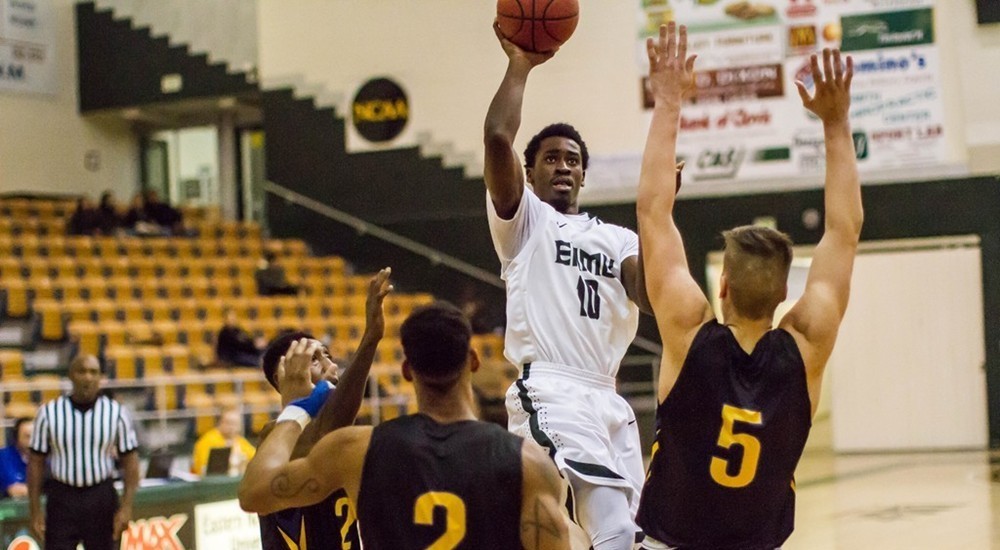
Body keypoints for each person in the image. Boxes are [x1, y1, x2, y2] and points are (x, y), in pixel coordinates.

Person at [635, 24, 862, 549]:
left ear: (722, 288)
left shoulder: (689, 334)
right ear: (785, 295)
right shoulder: (806, 348)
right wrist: (836, 123)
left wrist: (668, 100)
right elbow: (843, 232)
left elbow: (652, 212)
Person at [482, 19, 660, 549]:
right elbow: (496, 138)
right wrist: (520, 65)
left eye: (573, 160)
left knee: (641, 535)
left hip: (610, 398)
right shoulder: (525, 222)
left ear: (584, 176)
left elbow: (651, 297)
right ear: (530, 173)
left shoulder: (620, 239)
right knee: (610, 523)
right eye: (551, 159)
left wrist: (658, 216)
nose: (563, 166)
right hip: (553, 388)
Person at [238, 302, 570, 550]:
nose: (329, 366)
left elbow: (254, 493)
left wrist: (296, 410)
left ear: (407, 370)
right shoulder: (529, 461)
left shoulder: (359, 449)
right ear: (473, 360)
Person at [254, 267, 391, 550]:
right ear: (284, 374)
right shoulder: (273, 437)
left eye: (329, 356)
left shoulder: (337, 432)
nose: (332, 366)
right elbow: (328, 428)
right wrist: (370, 339)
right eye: (316, 359)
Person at [28, 354, 140, 550]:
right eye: (82, 371)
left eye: (93, 372)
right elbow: (36, 462)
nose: (88, 377)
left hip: (101, 497)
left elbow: (130, 461)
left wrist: (127, 506)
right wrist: (35, 510)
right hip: (62, 497)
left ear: (100, 378)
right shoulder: (48, 413)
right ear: (71, 375)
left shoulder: (116, 413)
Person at [190, 407, 257, 476]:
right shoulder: (208, 440)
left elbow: (255, 457)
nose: (232, 427)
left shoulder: (239, 441)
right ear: (221, 422)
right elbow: (203, 468)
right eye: (229, 423)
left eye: (236, 424)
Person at [0, 417, 33, 498]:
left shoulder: (46, 458)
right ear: (17, 438)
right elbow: (15, 490)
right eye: (27, 436)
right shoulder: (4, 457)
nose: (32, 441)